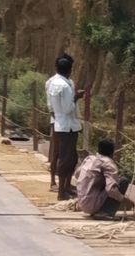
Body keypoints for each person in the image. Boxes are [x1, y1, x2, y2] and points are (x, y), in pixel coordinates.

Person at [46, 53, 84, 200]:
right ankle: (62, 191)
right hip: (68, 126)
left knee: (69, 157)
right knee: (65, 158)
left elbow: (53, 107)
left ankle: (64, 188)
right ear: (70, 70)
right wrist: (76, 97)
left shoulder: (54, 83)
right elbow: (68, 108)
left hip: (60, 124)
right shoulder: (65, 86)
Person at [75, 139, 134, 217]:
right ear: (112, 152)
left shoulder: (89, 159)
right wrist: (125, 200)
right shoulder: (108, 164)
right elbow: (111, 190)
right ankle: (105, 212)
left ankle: (99, 209)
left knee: (108, 183)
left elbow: (77, 174)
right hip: (93, 204)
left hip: (82, 203)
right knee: (123, 181)